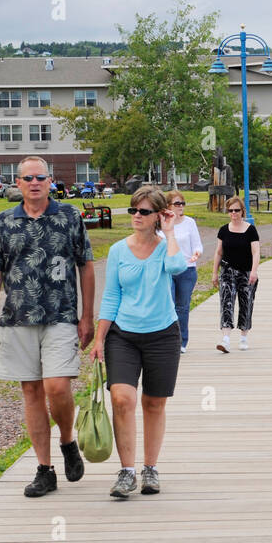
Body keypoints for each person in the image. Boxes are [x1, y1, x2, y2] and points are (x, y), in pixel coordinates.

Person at [0, 156, 95, 499]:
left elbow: (85, 266)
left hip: (61, 316)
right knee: (31, 392)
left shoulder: (69, 216)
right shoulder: (3, 221)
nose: (34, 183)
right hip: (18, 318)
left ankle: (68, 440)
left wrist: (87, 316)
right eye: (27, 178)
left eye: (40, 177)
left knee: (57, 387)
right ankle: (45, 469)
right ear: (18, 182)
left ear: (50, 180)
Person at [89, 186, 187, 498]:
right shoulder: (118, 250)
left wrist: (169, 231)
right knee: (122, 399)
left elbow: (176, 269)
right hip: (123, 335)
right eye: (133, 210)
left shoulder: (166, 247)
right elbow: (112, 295)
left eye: (144, 212)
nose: (136, 216)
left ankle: (150, 469)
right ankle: (127, 471)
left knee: (154, 403)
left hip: (162, 333)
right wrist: (99, 338)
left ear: (159, 215)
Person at [211, 197, 259, 352]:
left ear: (242, 211)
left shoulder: (250, 230)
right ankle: (225, 339)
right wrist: (214, 273)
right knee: (226, 302)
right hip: (227, 272)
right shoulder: (224, 230)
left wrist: (254, 271)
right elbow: (218, 252)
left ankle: (244, 337)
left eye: (236, 210)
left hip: (246, 272)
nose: (233, 213)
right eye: (230, 210)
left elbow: (256, 251)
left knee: (246, 303)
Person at [165, 189, 202, 353]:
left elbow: (197, 244)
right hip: (168, 270)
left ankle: (181, 341)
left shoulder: (190, 223)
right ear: (168, 206)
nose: (180, 206)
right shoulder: (164, 224)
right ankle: (168, 340)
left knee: (182, 307)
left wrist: (197, 253)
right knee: (169, 305)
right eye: (177, 203)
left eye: (182, 203)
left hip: (187, 269)